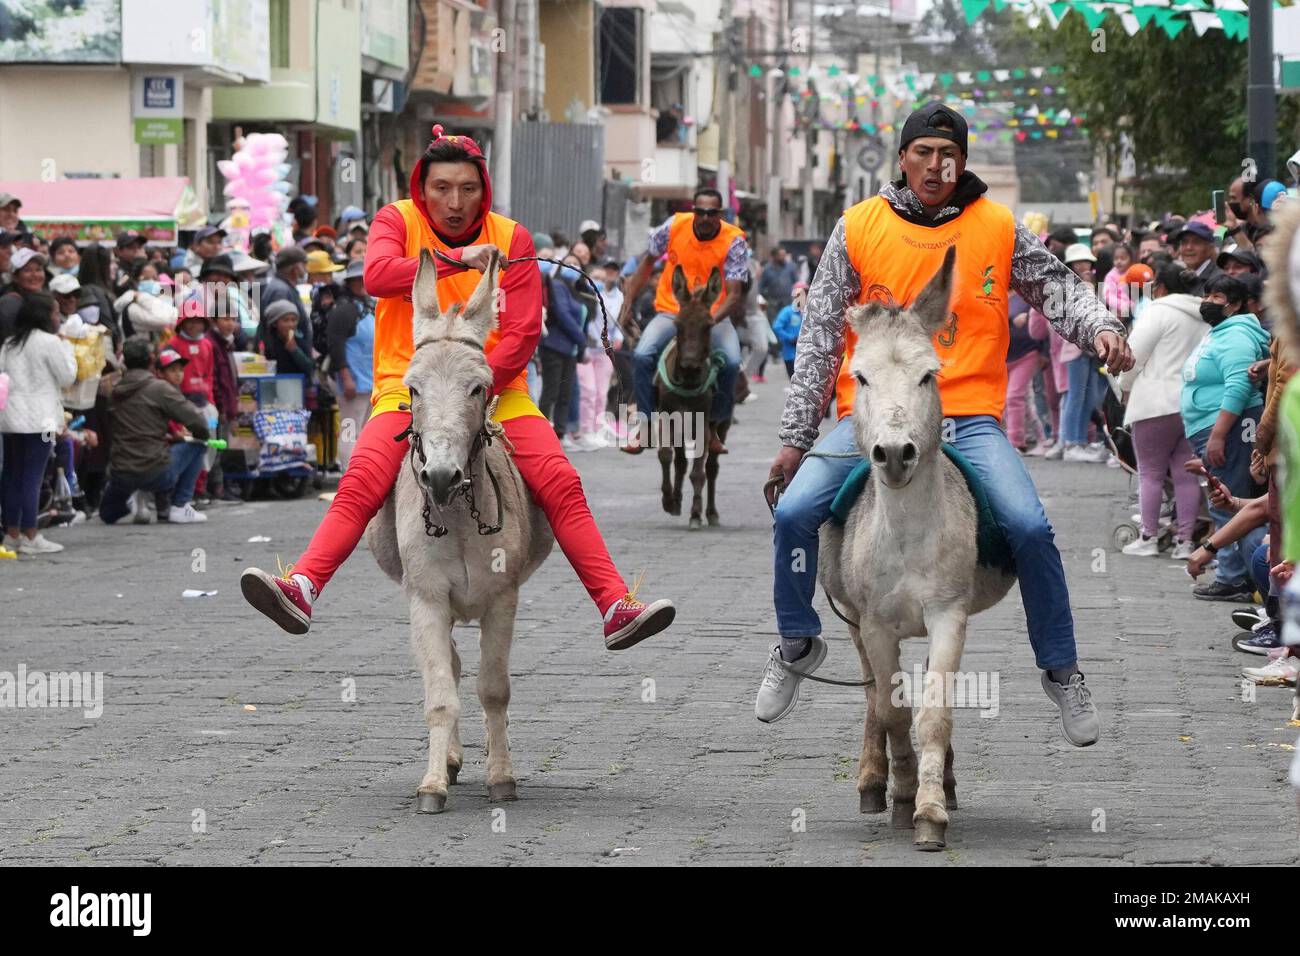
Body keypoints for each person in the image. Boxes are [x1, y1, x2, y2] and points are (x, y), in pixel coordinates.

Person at [756, 101, 1131, 745]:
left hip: (965, 417)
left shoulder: (999, 226)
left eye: (948, 154)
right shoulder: (857, 227)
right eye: (923, 153)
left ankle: (1061, 667)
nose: (936, 165)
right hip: (870, 419)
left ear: (963, 162)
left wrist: (1100, 327)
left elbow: (1060, 291)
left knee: (1030, 526)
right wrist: (795, 439)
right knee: (794, 513)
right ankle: (796, 641)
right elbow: (819, 335)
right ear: (902, 159)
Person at [239, 125, 675, 650]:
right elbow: (376, 275)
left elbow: (521, 333)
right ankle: (303, 585)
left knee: (561, 481)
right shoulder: (394, 220)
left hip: (494, 389)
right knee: (362, 477)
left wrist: (474, 389)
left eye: (467, 188)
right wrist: (454, 262)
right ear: (422, 187)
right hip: (410, 387)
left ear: (483, 189)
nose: (454, 201)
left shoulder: (512, 237)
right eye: (441, 187)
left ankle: (614, 605)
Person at [619, 188, 748, 454]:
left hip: (712, 316)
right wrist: (628, 302)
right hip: (671, 311)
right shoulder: (674, 225)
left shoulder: (734, 240)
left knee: (732, 362)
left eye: (711, 213)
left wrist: (708, 320)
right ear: (693, 212)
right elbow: (647, 263)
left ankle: (713, 428)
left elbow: (734, 293)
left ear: (720, 215)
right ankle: (644, 426)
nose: (704, 217)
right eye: (699, 212)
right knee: (642, 354)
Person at [1180, 273, 1270, 601]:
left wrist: (1218, 435)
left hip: (1230, 430)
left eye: (1218, 298)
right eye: (1208, 295)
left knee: (1228, 502)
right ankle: (1234, 573)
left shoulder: (1238, 337)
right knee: (1223, 500)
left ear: (1235, 304)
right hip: (1213, 430)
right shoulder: (1220, 331)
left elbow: (1238, 386)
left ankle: (1234, 577)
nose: (1209, 303)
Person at [1115, 261, 1207, 558]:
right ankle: (1185, 542)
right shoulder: (1204, 314)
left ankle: (1148, 537)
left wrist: (1123, 386)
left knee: (1151, 472)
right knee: (1186, 473)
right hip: (1193, 403)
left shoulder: (1157, 310)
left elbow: (1133, 355)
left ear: (1162, 287)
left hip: (1155, 401)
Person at [100, 341, 211, 525]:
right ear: (152, 361)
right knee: (198, 445)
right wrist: (200, 435)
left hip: (121, 471)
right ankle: (180, 506)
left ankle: (136, 500)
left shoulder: (113, 392)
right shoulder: (160, 389)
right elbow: (198, 421)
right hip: (157, 471)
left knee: (108, 515)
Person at [0, 290, 76, 554]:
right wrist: (67, 345)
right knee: (33, 476)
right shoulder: (50, 342)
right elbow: (68, 376)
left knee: (12, 475)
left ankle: (12, 534)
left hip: (10, 418)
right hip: (41, 421)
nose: (58, 316)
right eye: (55, 312)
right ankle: (31, 535)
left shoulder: (9, 343)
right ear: (45, 315)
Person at [1056, 244, 1110, 462]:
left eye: (1086, 261)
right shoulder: (1066, 286)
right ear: (1069, 265)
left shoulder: (1092, 285)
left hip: (1090, 349)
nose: (1083, 265)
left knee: (1088, 398)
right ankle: (1071, 443)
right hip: (1074, 349)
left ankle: (1080, 441)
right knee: (1076, 396)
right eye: (1078, 262)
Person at [325, 259, 375, 470]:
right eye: (358, 280)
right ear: (350, 282)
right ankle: (348, 472)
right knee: (349, 429)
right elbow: (335, 345)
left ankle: (362, 473)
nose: (362, 283)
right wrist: (345, 378)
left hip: (369, 379)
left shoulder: (368, 305)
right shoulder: (343, 310)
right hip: (352, 382)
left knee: (364, 431)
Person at [537, 253, 589, 438]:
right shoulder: (558, 285)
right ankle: (540, 435)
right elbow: (563, 315)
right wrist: (583, 341)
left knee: (565, 394)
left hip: (570, 350)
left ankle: (559, 433)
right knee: (551, 391)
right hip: (554, 347)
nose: (573, 266)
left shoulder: (577, 291)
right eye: (569, 263)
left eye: (577, 264)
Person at [574, 260, 623, 450]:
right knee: (589, 391)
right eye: (596, 277)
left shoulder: (619, 297)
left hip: (604, 350)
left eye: (603, 278)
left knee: (601, 393)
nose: (600, 281)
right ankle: (585, 429)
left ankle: (596, 430)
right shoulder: (584, 295)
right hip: (585, 348)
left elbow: (618, 321)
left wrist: (617, 336)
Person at [259, 247, 311, 348]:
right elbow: (282, 332)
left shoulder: (283, 287)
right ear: (295, 269)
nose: (306, 269)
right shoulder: (280, 291)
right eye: (304, 265)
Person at [0, 248, 50, 341]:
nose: (34, 275)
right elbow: (10, 343)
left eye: (38, 269)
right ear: (15, 277)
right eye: (27, 270)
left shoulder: (41, 299)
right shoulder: (9, 304)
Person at [261, 300, 314, 377]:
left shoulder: (300, 341)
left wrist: (295, 351)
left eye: (294, 320)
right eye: (286, 320)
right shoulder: (268, 342)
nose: (291, 324)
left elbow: (310, 368)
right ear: (275, 323)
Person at [1171, 221, 1222, 287]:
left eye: (1196, 242)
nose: (1189, 248)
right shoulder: (1179, 277)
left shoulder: (1217, 280)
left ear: (1210, 248)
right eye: (1184, 242)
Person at [772, 282, 806, 380]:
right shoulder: (787, 311)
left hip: (804, 353)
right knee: (794, 380)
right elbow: (777, 327)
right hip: (790, 354)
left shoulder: (808, 311)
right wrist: (790, 338)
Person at [759, 246, 799, 322]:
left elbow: (796, 283)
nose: (783, 257)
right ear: (774, 256)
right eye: (781, 255)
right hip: (773, 304)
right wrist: (768, 297)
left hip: (788, 302)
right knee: (774, 324)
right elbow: (761, 287)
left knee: (788, 323)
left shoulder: (791, 267)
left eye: (784, 255)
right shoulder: (767, 270)